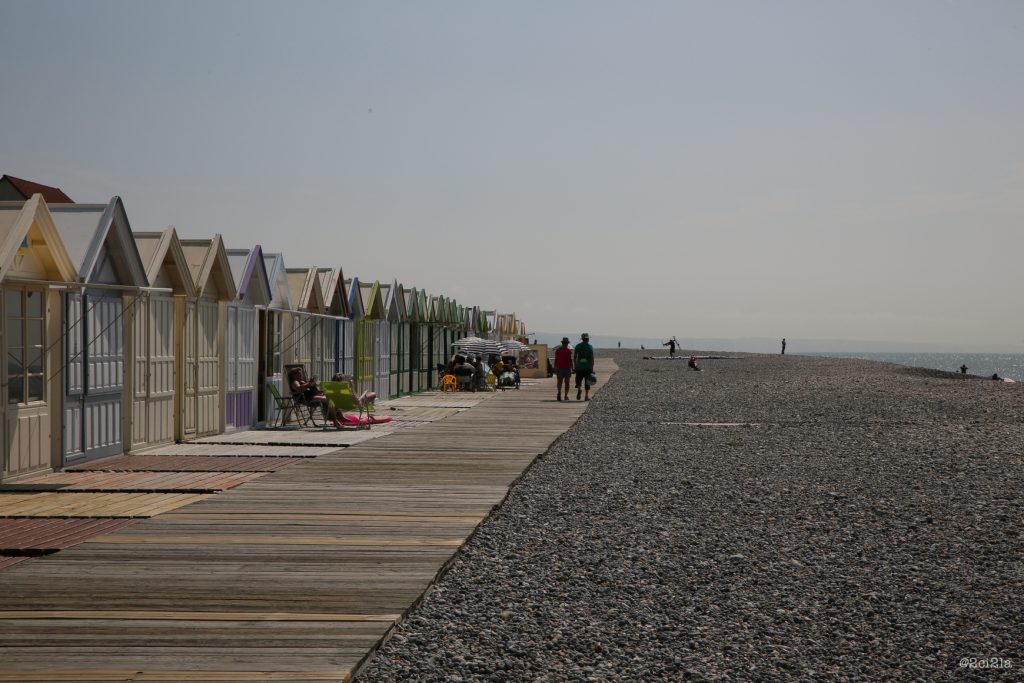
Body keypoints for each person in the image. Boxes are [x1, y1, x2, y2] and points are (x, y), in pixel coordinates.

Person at [573, 332, 595, 401]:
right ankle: (586, 396)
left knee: (579, 380)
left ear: (582, 339)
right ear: (588, 339)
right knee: (587, 382)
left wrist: (575, 365)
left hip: (579, 367)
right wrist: (592, 368)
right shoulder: (590, 347)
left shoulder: (577, 346)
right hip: (588, 367)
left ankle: (579, 389)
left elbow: (574, 357)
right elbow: (592, 358)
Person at [554, 337, 573, 401]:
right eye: (566, 343)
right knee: (567, 383)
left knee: (560, 382)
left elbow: (556, 360)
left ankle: (559, 392)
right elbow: (570, 360)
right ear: (567, 343)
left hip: (559, 368)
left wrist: (554, 368)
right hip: (566, 368)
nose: (566, 344)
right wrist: (572, 368)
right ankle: (565, 396)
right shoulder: (568, 351)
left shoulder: (557, 350)